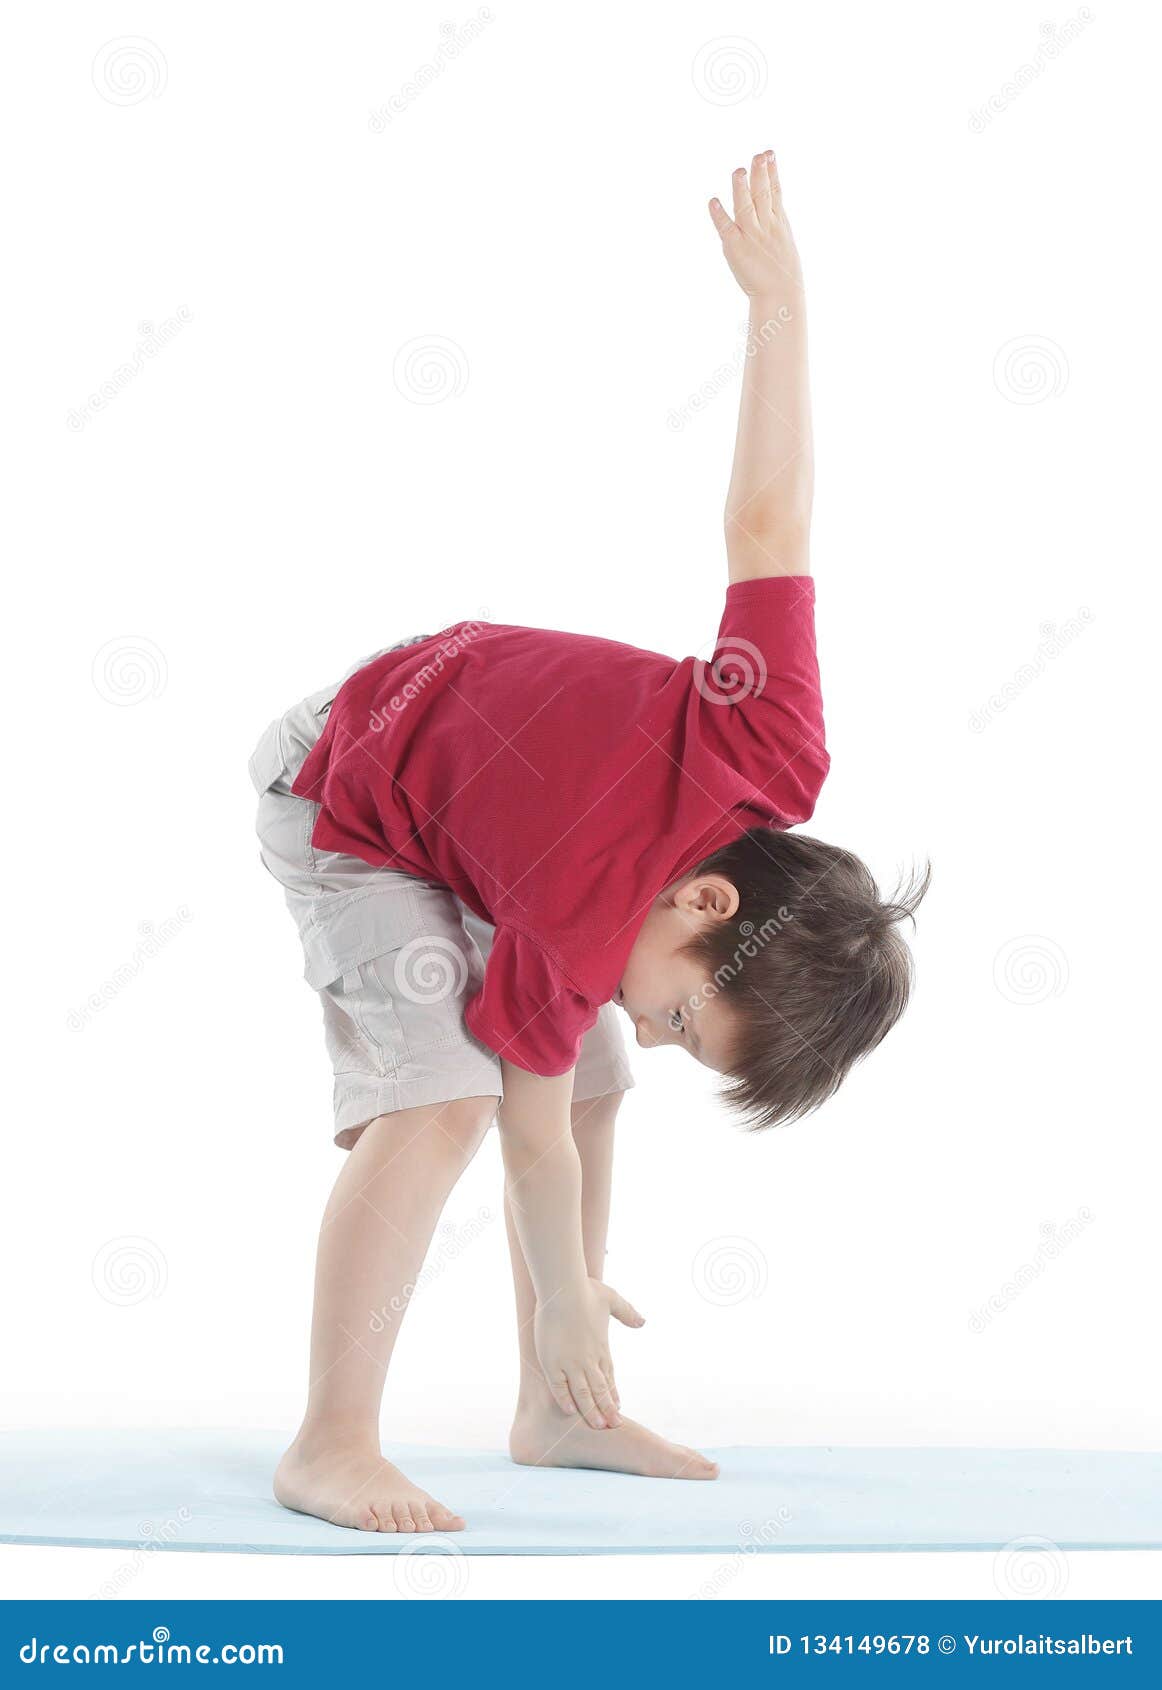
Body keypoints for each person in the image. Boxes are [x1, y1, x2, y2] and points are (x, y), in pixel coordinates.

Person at [248, 151, 927, 1534]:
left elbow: (558, 1129)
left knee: (585, 1071)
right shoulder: (668, 830)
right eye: (685, 1013)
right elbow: (764, 518)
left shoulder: (748, 770)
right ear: (703, 896)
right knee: (443, 1093)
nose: (659, 1026)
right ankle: (328, 1439)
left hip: (480, 783)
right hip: (344, 791)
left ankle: (560, 1408)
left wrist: (568, 1302)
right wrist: (777, 305)